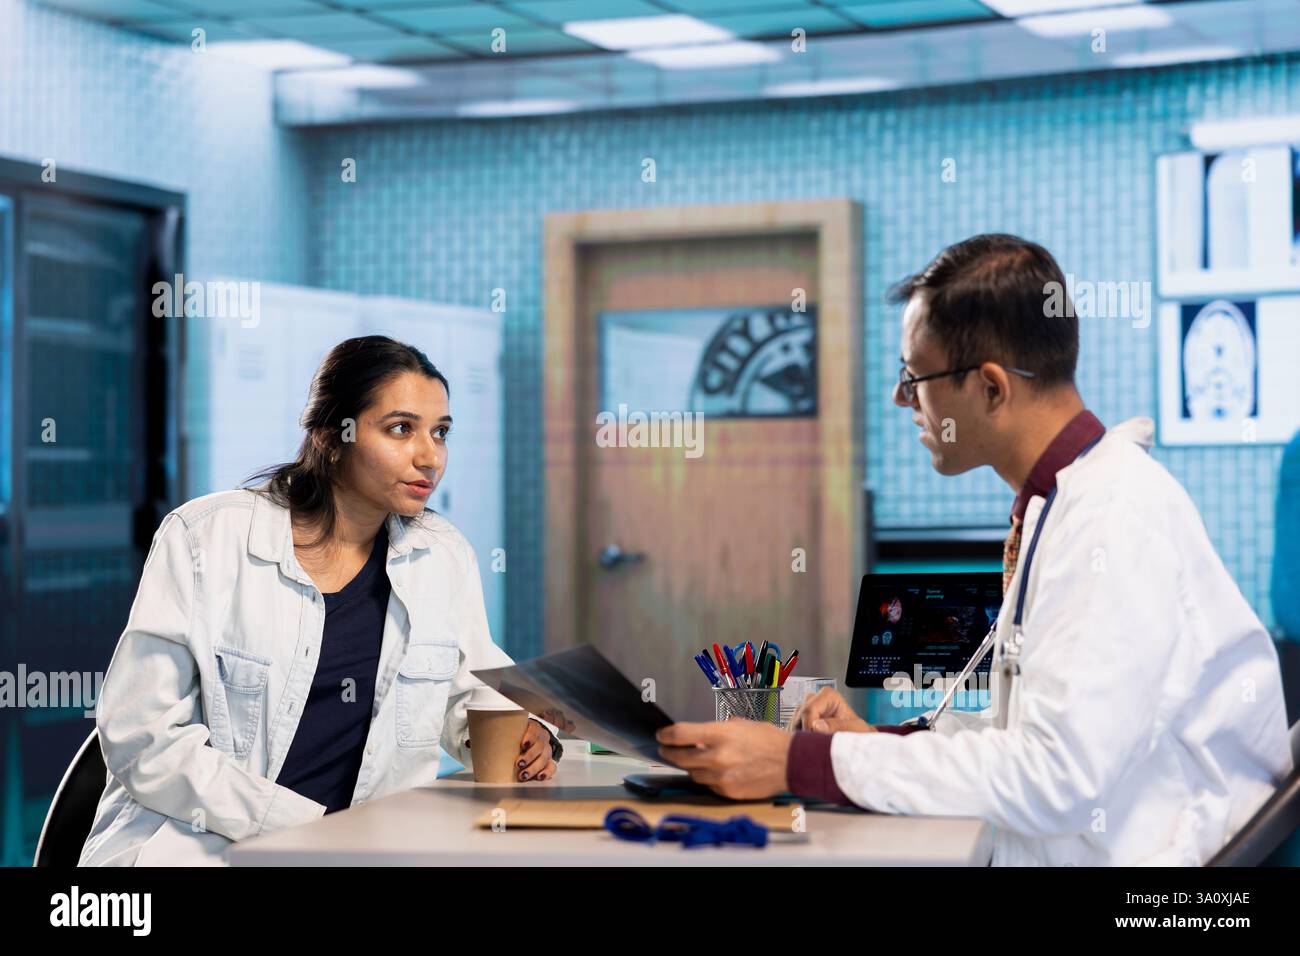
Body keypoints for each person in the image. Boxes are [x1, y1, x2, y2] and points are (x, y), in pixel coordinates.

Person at [657, 234, 1293, 865]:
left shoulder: (1113, 519)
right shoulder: (1066, 501)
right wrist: (874, 742)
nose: (902, 399)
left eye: (914, 377)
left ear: (991, 388)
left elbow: (1054, 777)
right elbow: (1026, 736)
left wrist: (800, 763)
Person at [80, 335, 559, 865]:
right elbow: (141, 735)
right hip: (203, 849)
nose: (430, 456)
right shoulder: (206, 539)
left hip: (364, 851)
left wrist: (529, 732)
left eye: (440, 432)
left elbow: (472, 691)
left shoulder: (441, 555)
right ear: (334, 435)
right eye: (401, 429)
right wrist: (309, 828)